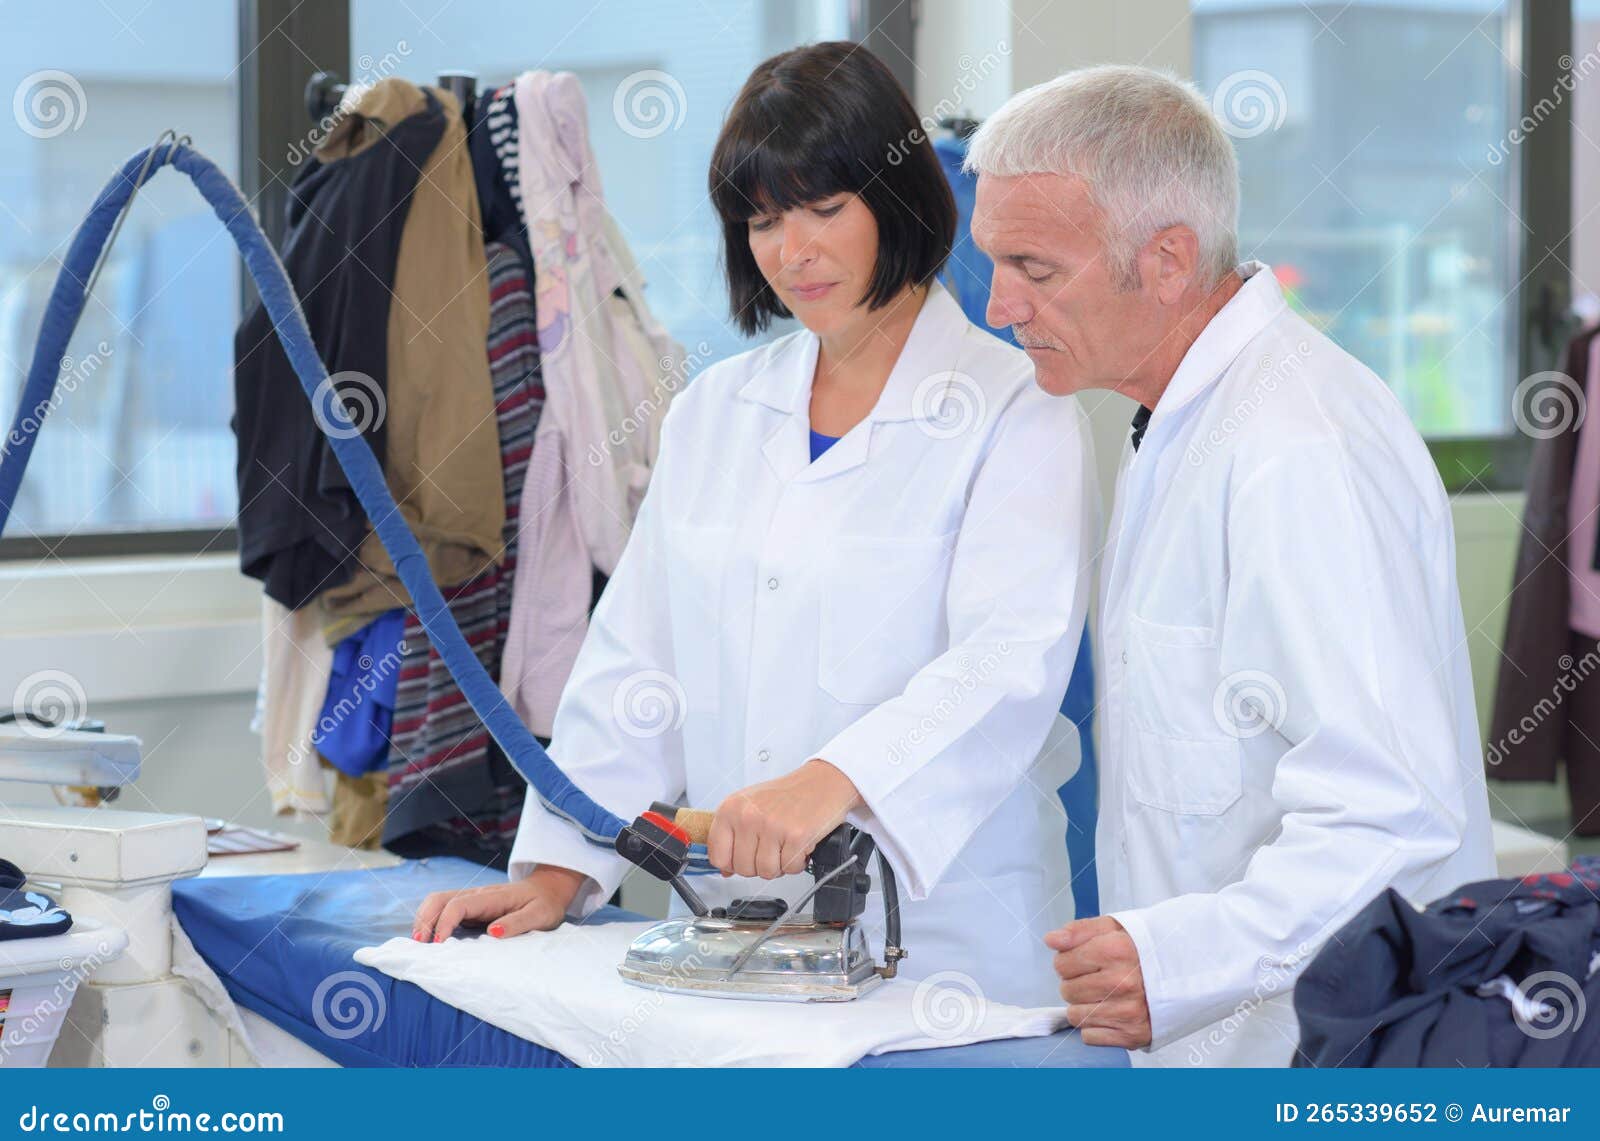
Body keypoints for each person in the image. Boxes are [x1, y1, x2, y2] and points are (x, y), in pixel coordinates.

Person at [412, 42, 1098, 1006]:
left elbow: (1004, 664)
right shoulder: (716, 410)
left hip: (945, 950)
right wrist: (556, 872)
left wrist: (831, 781)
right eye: (764, 219)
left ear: (898, 201)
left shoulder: (1017, 412)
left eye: (825, 208)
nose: (793, 250)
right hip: (728, 936)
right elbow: (635, 663)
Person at [965, 65, 1495, 1063]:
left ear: (1166, 259)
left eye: (1034, 270)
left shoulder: (1296, 449)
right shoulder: (1175, 425)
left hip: (1321, 1053)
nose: (1000, 308)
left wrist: (1177, 960)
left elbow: (1392, 810)